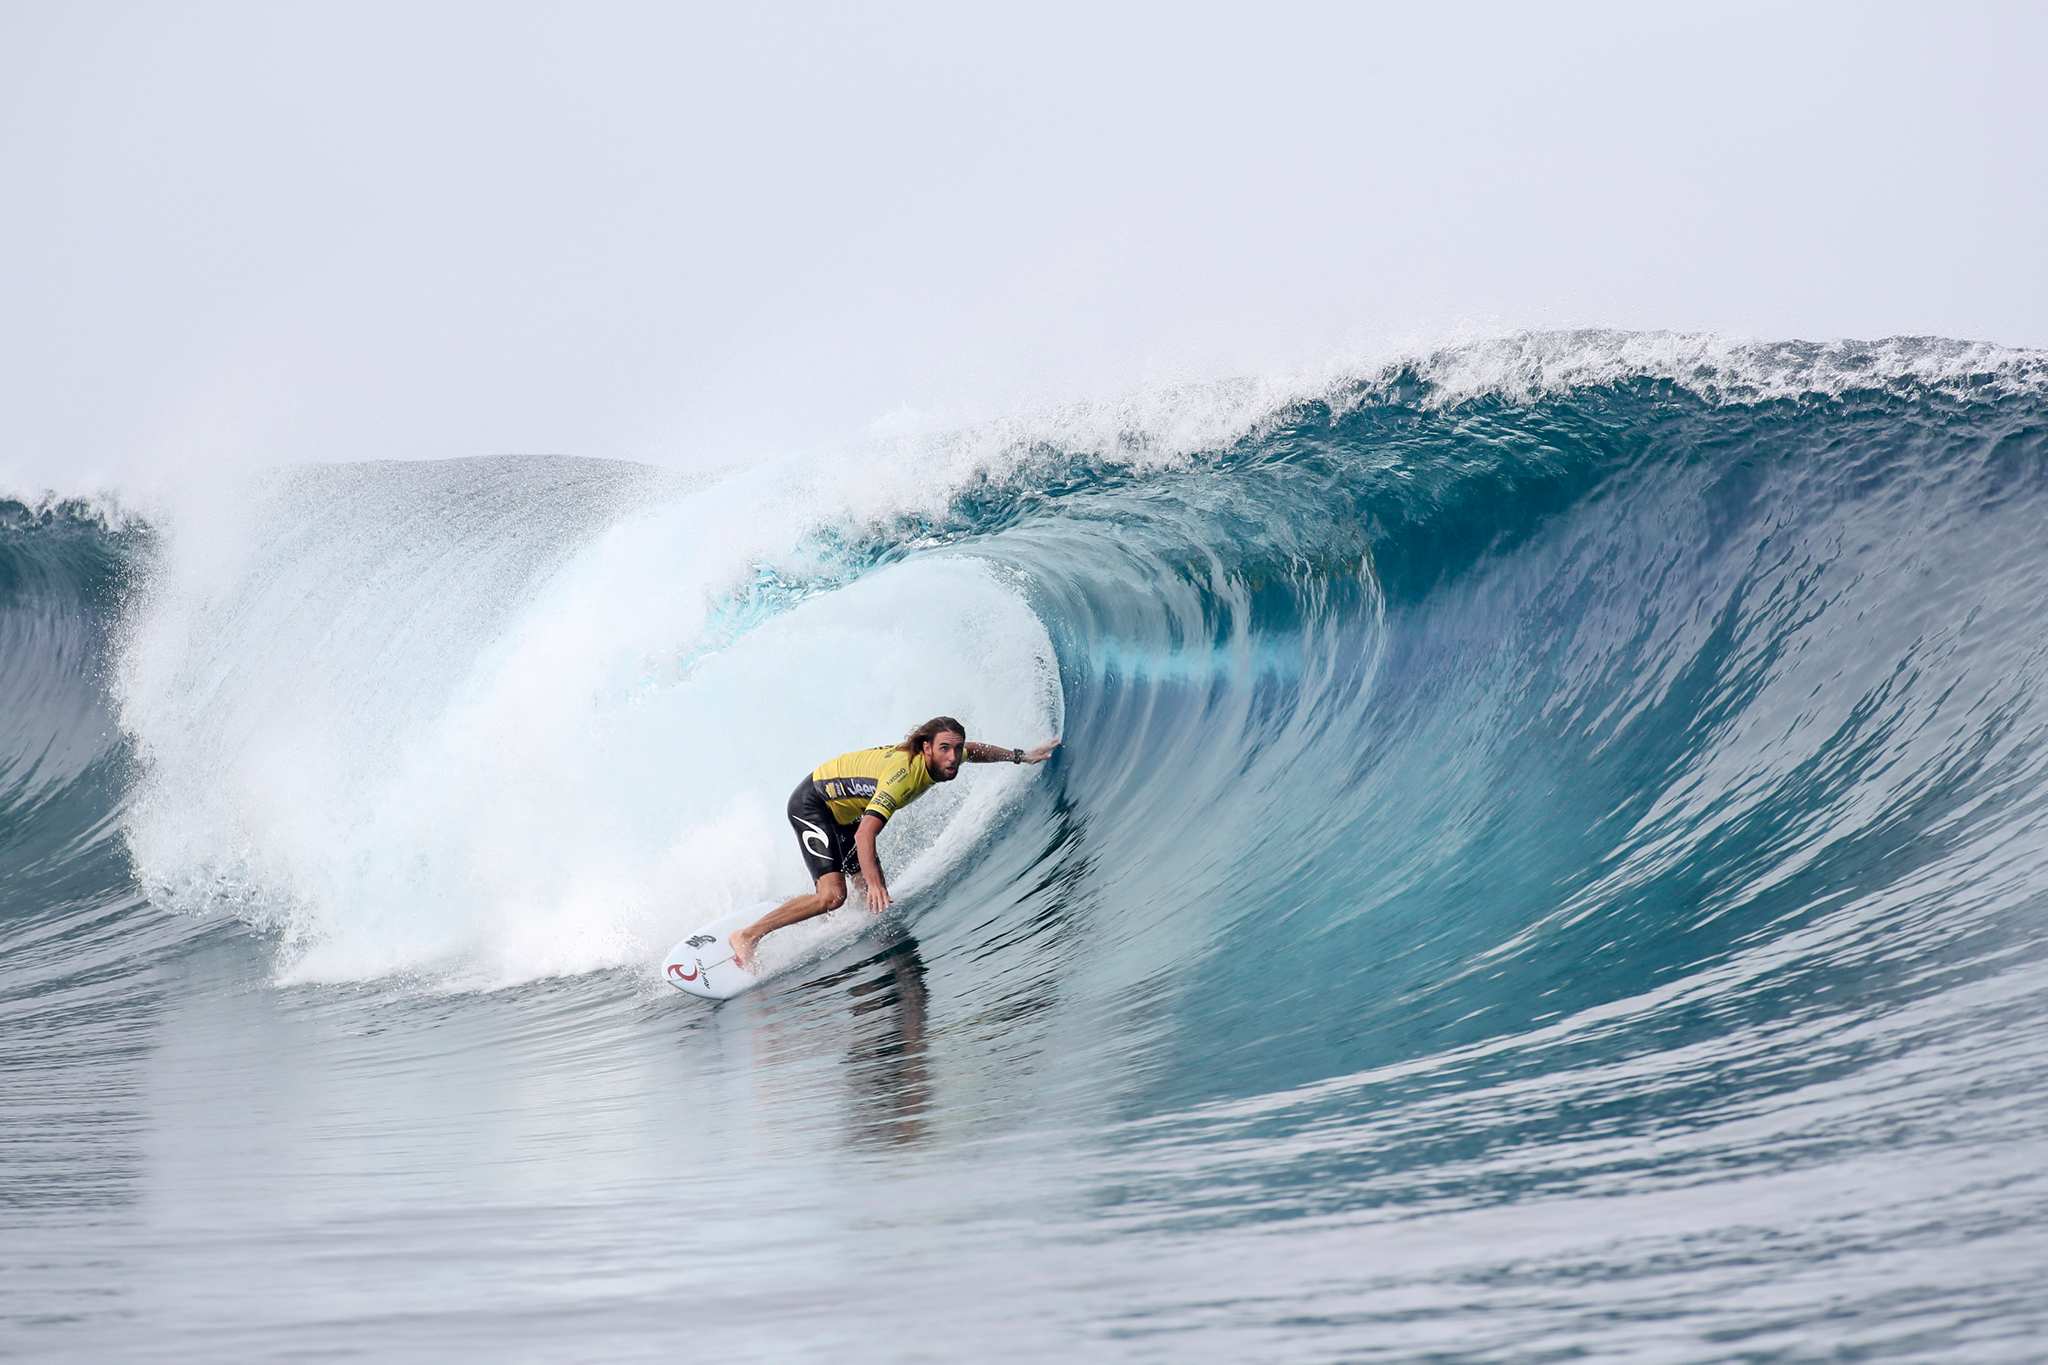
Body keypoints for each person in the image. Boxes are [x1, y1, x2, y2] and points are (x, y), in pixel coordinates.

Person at [730, 716, 1060, 970]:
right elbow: (865, 835)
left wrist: (1022, 756)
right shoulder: (900, 780)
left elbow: (976, 750)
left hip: (846, 811)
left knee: (865, 900)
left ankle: (811, 911)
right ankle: (747, 936)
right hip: (814, 805)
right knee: (834, 896)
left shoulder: (947, 755)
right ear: (926, 748)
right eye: (945, 748)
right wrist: (874, 884)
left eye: (956, 748)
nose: (954, 757)